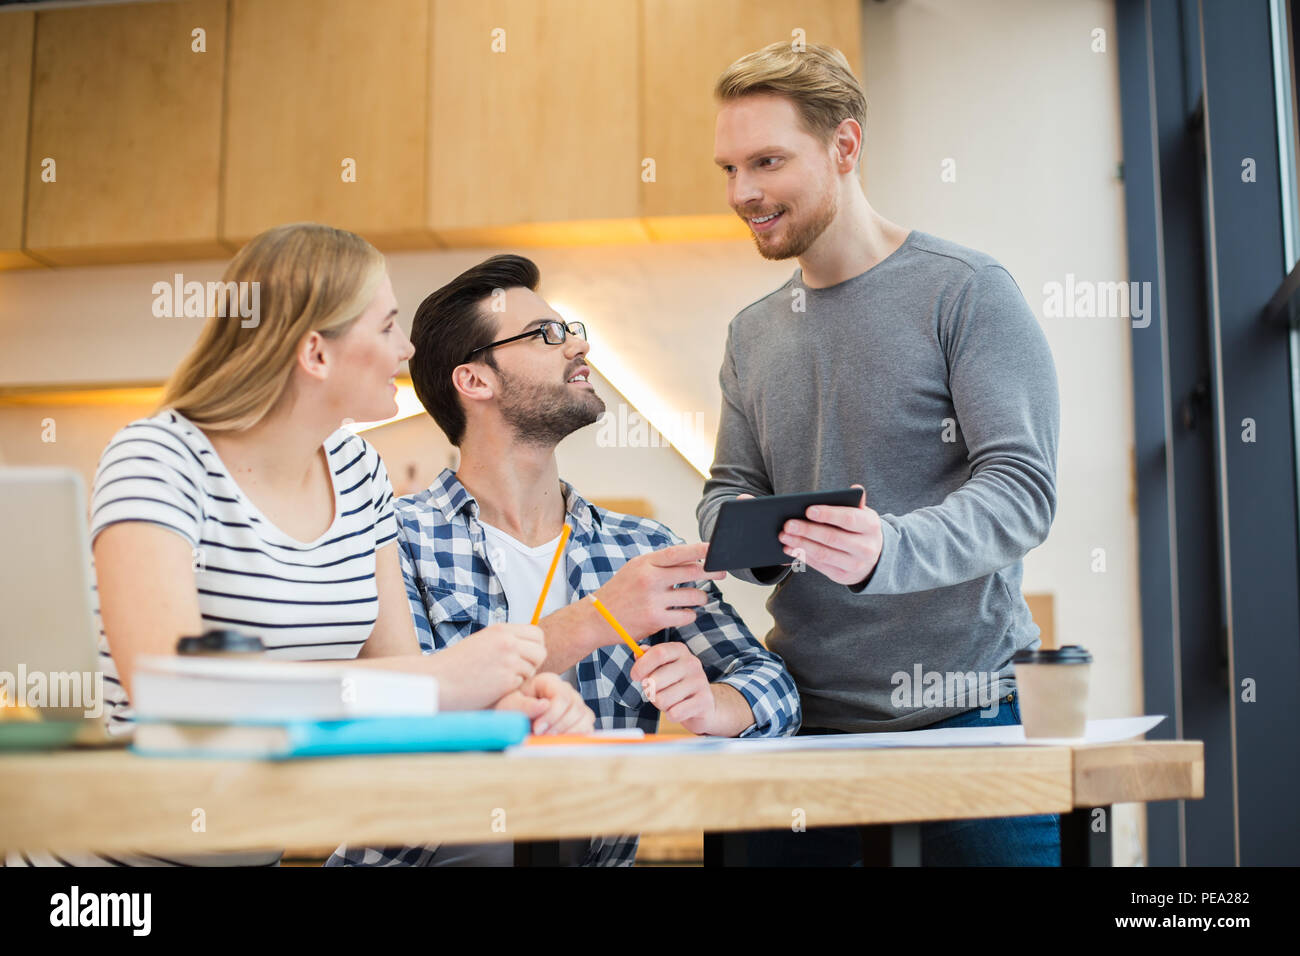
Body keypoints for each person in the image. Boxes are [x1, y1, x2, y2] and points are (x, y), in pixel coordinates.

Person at [5, 223, 591, 868]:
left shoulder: (359, 471)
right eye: (387, 325)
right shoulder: (159, 458)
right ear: (316, 353)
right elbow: (172, 691)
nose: (406, 347)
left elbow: (394, 685)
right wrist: (438, 679)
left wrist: (508, 705)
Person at [699, 42, 1062, 865]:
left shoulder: (966, 292)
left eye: (767, 161)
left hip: (970, 729)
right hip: (799, 728)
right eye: (728, 167)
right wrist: (746, 544)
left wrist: (887, 550)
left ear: (845, 147)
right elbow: (730, 488)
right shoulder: (752, 335)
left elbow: (1021, 490)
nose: (742, 192)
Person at [329, 253, 800, 866]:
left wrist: (716, 705)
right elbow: (406, 714)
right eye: (548, 334)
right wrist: (600, 617)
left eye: (573, 329)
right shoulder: (394, 535)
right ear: (475, 380)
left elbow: (776, 688)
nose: (577, 345)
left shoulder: (640, 547)